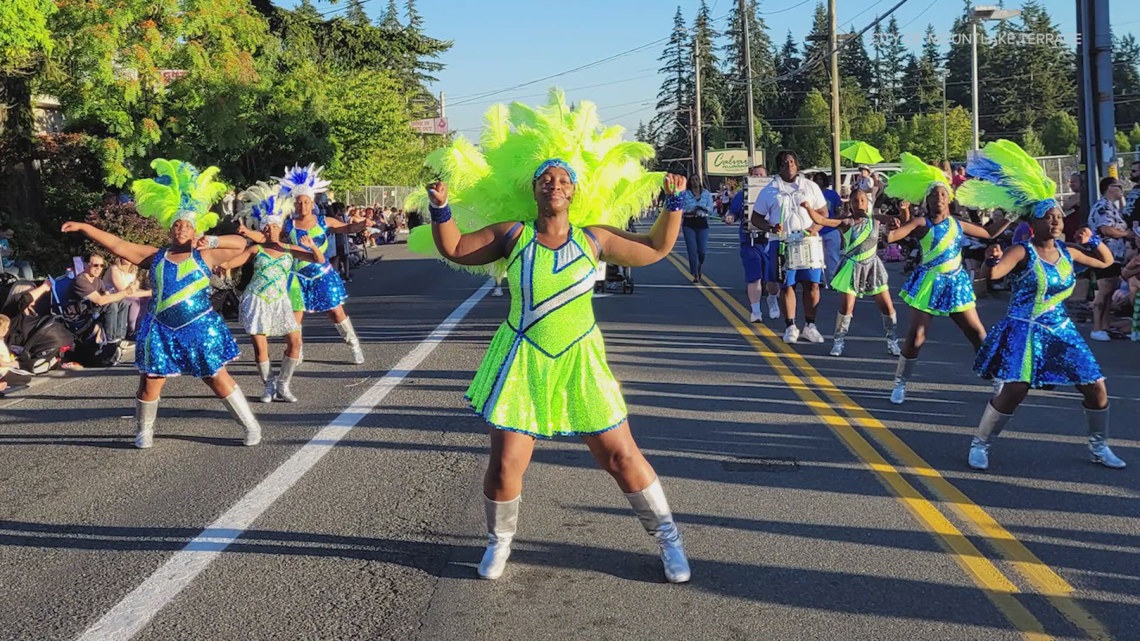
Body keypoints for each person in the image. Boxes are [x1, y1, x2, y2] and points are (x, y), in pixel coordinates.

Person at [409, 93, 691, 584]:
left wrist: (673, 205)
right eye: (546, 179)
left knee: (622, 457)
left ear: (575, 191)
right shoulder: (513, 235)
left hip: (580, 359)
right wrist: (441, 208)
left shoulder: (594, 239)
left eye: (563, 179)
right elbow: (454, 247)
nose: (555, 185)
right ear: (534, 189)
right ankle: (499, 543)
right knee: (505, 465)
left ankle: (669, 540)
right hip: (523, 359)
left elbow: (657, 248)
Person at [62, 159, 262, 448]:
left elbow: (241, 245)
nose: (180, 229)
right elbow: (118, 245)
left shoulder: (205, 255)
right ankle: (144, 431)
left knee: (216, 377)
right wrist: (84, 227)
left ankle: (250, 425)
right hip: (160, 329)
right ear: (170, 228)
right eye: (177, 225)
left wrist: (214, 242)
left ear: (195, 230)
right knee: (150, 380)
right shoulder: (155, 255)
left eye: (186, 226)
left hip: (198, 327)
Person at [958, 140, 1124, 470]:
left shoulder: (1069, 253)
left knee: (1096, 387)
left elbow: (1105, 263)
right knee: (1015, 389)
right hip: (1024, 327)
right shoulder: (1022, 251)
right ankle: (981, 443)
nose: (1057, 221)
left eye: (1059, 216)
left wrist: (1094, 241)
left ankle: (1099, 445)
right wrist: (991, 261)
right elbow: (995, 275)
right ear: (1033, 224)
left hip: (1060, 329)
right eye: (1049, 217)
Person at [885, 153, 1012, 404]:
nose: (939, 199)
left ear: (949, 198)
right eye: (934, 195)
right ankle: (900, 382)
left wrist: (1012, 215)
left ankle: (995, 377)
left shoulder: (958, 224)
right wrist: (892, 227)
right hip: (929, 282)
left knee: (977, 333)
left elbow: (988, 232)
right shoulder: (922, 222)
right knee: (917, 336)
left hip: (956, 282)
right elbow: (894, 236)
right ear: (928, 200)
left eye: (943, 194)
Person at [242, 164, 369, 364]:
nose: (302, 206)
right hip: (296, 277)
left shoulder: (324, 221)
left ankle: (354, 345)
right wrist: (248, 233)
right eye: (299, 203)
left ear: (312, 203)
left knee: (336, 312)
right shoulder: (288, 224)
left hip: (322, 273)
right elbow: (268, 236)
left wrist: (361, 225)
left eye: (305, 202)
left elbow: (347, 227)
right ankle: (296, 350)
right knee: (294, 319)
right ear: (295, 204)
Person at [219, 182, 324, 404]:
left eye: (274, 227)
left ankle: (283, 384)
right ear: (263, 230)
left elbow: (318, 259)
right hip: (257, 299)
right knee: (260, 346)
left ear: (280, 229)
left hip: (281, 301)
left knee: (295, 342)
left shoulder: (288, 249)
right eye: (266, 228)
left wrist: (312, 246)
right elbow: (232, 263)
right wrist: (221, 262)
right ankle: (268, 386)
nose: (270, 230)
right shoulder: (256, 249)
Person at [803, 189, 905, 356]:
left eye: (863, 201)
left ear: (868, 203)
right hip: (852, 267)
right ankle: (838, 341)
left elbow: (900, 220)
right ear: (850, 204)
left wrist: (903, 211)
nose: (860, 204)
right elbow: (821, 219)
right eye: (856, 201)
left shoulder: (876, 221)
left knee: (887, 307)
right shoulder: (846, 223)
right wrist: (808, 208)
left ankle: (892, 341)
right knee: (847, 307)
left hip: (873, 268)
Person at [751, 149, 829, 344]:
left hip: (808, 241)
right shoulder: (769, 190)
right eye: (785, 163)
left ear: (797, 164)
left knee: (812, 285)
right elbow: (756, 218)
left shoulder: (810, 186)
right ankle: (790, 326)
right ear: (779, 167)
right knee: (788, 285)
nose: (789, 165)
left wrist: (815, 226)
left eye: (792, 162)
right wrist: (771, 227)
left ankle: (810, 326)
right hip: (783, 242)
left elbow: (823, 212)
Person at [728, 165, 780, 322]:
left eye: (761, 175)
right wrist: (730, 216)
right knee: (754, 277)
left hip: (771, 240)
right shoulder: (743, 194)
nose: (758, 177)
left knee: (772, 278)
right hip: (749, 239)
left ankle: (773, 300)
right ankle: (756, 311)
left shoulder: (775, 193)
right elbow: (733, 212)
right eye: (755, 175)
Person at [1087, 177, 1135, 341]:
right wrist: (1126, 234)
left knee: (1110, 290)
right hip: (1104, 254)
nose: (1121, 189)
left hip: (1116, 256)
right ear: (1109, 188)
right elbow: (1106, 229)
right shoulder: (1103, 206)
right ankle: (1097, 327)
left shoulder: (1114, 208)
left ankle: (1105, 325)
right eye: (1118, 186)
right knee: (1104, 290)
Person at [71, 253, 134, 346]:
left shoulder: (97, 280)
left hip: (93, 310)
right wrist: (125, 292)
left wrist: (120, 296)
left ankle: (120, 337)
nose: (99, 268)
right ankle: (111, 341)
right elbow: (99, 300)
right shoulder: (80, 281)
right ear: (85, 265)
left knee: (123, 303)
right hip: (81, 315)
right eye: (95, 265)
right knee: (111, 306)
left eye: (102, 266)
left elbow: (107, 295)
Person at [105, 255, 151, 339]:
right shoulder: (114, 269)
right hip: (114, 295)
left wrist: (147, 293)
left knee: (146, 299)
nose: (128, 258)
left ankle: (140, 327)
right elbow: (122, 291)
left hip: (127, 294)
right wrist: (147, 292)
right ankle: (132, 330)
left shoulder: (133, 271)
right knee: (135, 300)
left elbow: (134, 289)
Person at [680, 174, 713, 283]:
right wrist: (690, 210)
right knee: (692, 250)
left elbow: (710, 209)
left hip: (702, 223)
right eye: (693, 180)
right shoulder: (685, 194)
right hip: (689, 223)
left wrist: (702, 208)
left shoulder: (706, 194)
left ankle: (699, 265)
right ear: (690, 182)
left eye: (697, 179)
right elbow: (681, 209)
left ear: (700, 181)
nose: (695, 182)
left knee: (702, 251)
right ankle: (695, 273)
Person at [811, 172, 844, 285]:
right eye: (817, 179)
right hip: (816, 230)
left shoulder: (832, 194)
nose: (819, 181)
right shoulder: (811, 194)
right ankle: (819, 279)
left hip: (831, 229)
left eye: (821, 179)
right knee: (816, 256)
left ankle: (834, 280)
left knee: (832, 256)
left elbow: (838, 210)